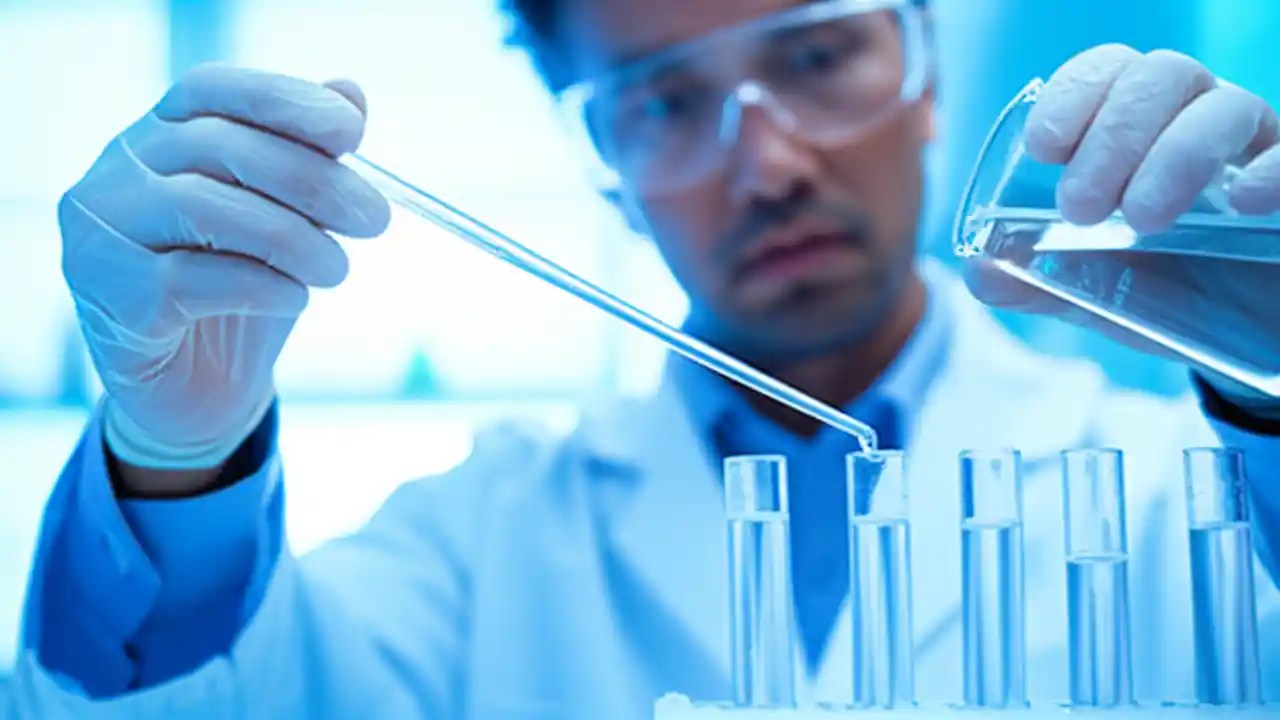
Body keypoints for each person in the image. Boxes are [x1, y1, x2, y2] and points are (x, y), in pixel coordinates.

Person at [9, 0, 1280, 717]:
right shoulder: (475, 552)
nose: (768, 162)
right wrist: (176, 463)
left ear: (926, 75)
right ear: (602, 169)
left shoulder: (1189, 490)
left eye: (816, 54)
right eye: (667, 103)